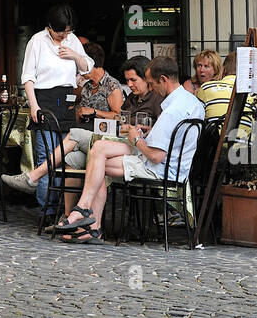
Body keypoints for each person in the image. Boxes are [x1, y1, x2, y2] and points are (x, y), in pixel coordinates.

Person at [53, 56, 207, 244]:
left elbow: (156, 156)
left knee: (97, 158)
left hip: (160, 168)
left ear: (164, 80)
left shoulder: (171, 111)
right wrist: (150, 132)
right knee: (98, 153)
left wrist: (136, 139)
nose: (151, 88)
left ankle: (88, 219)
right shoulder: (191, 102)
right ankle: (89, 221)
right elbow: (172, 138)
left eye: (151, 83)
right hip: (174, 164)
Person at [0, 42, 123, 213]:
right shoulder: (86, 86)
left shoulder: (111, 85)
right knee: (66, 160)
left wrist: (94, 112)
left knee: (66, 142)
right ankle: (63, 213)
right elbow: (75, 102)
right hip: (85, 136)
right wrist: (77, 109)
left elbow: (119, 115)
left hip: (101, 138)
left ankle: (34, 180)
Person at [19, 4, 91, 216]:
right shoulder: (37, 41)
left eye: (67, 31)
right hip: (44, 101)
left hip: (67, 101)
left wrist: (74, 55)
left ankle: (63, 208)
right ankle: (47, 209)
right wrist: (34, 105)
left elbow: (87, 67)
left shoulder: (72, 40)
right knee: (46, 157)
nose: (62, 36)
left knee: (65, 157)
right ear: (49, 27)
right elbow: (28, 77)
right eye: (59, 32)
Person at [121, 54, 165, 123]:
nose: (129, 85)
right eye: (127, 80)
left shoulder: (157, 99)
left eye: (133, 80)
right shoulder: (131, 97)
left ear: (146, 78)